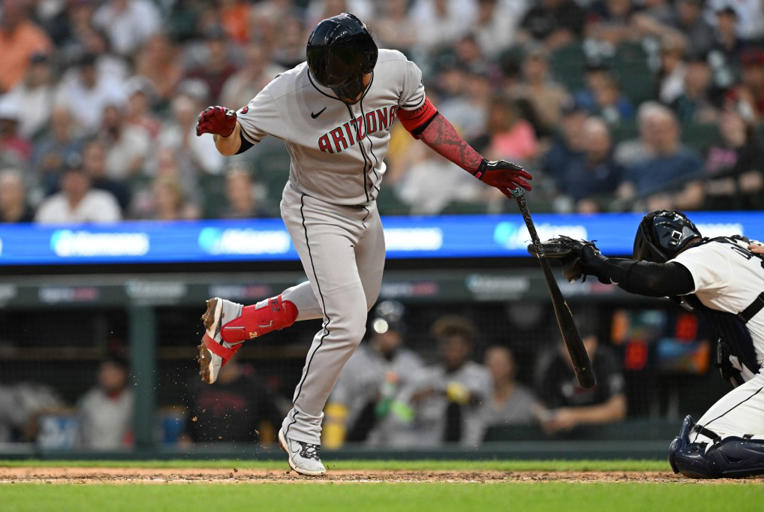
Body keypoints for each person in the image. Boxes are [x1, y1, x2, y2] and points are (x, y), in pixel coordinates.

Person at [194, 13, 532, 475]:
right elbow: (236, 144)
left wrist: (478, 166)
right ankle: (302, 426)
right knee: (349, 321)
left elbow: (424, 120)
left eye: (356, 79)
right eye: (340, 82)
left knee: (357, 302)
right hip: (316, 210)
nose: (352, 89)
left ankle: (237, 323)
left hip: (366, 209)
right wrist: (224, 131)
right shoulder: (289, 91)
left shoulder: (395, 68)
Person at [537, 210, 764, 478]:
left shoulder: (707, 254)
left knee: (694, 450)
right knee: (730, 357)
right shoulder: (737, 248)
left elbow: (658, 279)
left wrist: (600, 264)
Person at [324, 301, 424, 448]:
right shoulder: (354, 361)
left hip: (404, 441)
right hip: (362, 439)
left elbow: (421, 411)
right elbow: (338, 405)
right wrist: (332, 447)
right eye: (384, 328)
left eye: (394, 330)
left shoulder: (412, 364)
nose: (388, 336)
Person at [400, 315, 492, 447]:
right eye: (448, 345)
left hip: (470, 450)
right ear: (441, 347)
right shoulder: (424, 376)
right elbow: (401, 413)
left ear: (467, 348)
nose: (453, 352)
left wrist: (438, 391)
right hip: (429, 451)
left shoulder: (480, 375)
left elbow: (474, 398)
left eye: (458, 346)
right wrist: (413, 401)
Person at [534, 329, 626, 435]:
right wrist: (545, 418)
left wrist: (574, 416)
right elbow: (538, 406)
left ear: (593, 342)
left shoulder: (605, 360)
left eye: (582, 343)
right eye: (569, 344)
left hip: (603, 436)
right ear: (561, 347)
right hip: (564, 440)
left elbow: (618, 410)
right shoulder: (552, 364)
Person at [183, 355, 283, 444]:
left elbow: (278, 423)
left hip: (245, 455)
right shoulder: (197, 384)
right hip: (203, 455)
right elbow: (187, 429)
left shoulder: (254, 386)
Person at [35, 158, 122, 224]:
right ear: (61, 181)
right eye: (70, 178)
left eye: (79, 177)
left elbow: (111, 234)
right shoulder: (50, 205)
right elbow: (40, 238)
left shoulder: (104, 201)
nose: (74, 182)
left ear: (88, 180)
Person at [76, 357, 134, 450]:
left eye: (112, 371)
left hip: (125, 459)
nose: (107, 375)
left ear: (123, 374)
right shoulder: (89, 400)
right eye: (104, 371)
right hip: (94, 456)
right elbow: (80, 437)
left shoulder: (134, 401)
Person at [479, 346, 538, 432]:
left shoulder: (525, 399)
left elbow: (542, 414)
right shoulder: (476, 396)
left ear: (512, 367)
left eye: (499, 364)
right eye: (490, 364)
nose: (495, 369)